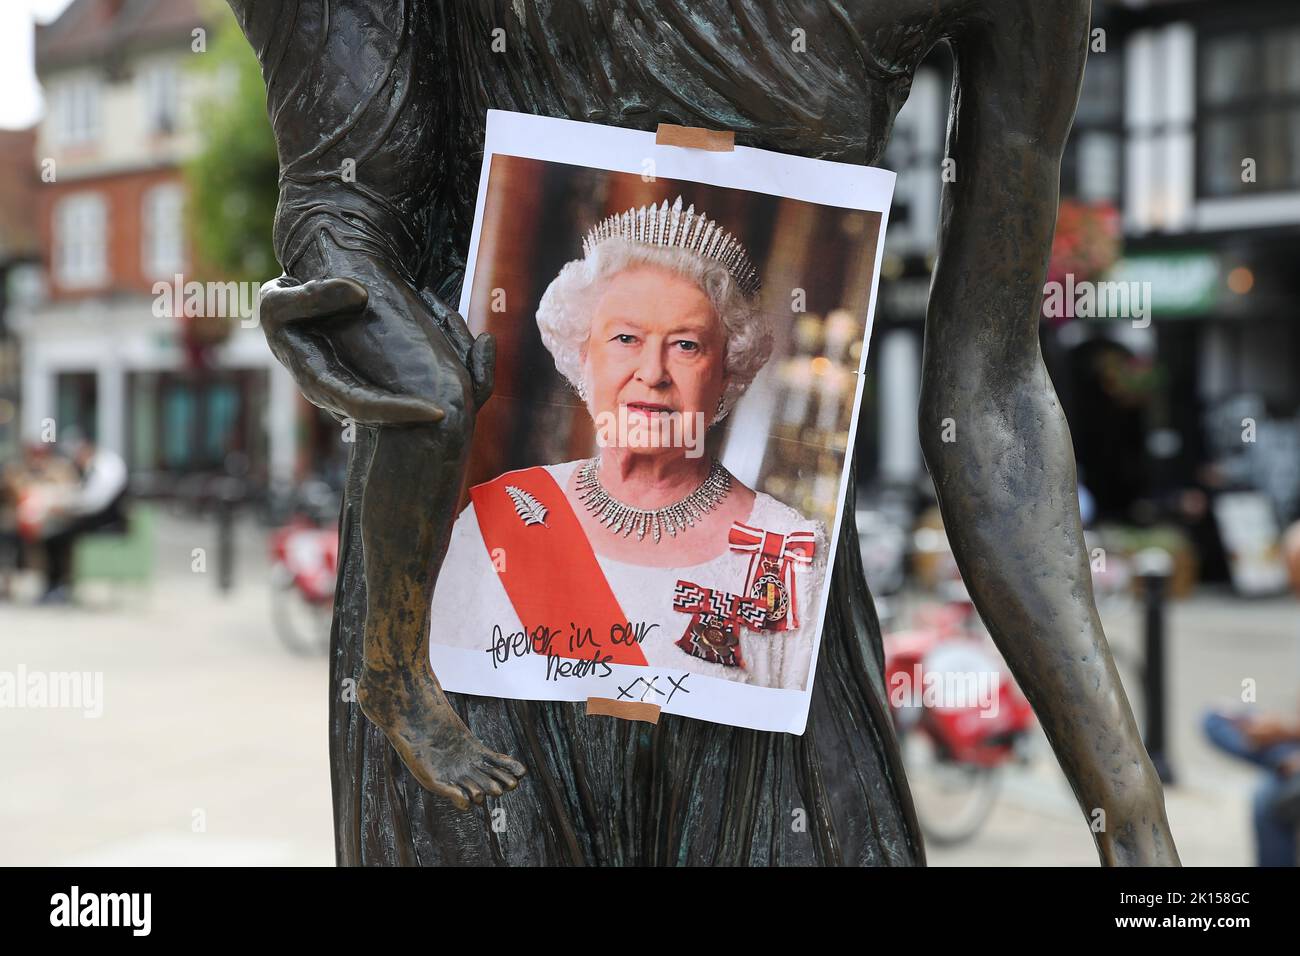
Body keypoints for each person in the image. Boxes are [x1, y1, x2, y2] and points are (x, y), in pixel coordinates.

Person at [430, 198, 828, 691]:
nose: (653, 374)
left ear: (727, 373)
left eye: (686, 345)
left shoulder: (788, 553)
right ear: (583, 356)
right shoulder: (498, 520)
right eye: (625, 338)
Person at [37, 434, 128, 603]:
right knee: (54, 533)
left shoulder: (105, 467)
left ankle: (59, 587)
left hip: (106, 522)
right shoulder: (95, 465)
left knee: (55, 538)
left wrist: (66, 507)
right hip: (96, 517)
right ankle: (58, 586)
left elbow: (94, 502)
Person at [1204, 709, 1300, 866]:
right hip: (1291, 745)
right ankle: (1281, 761)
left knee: (1268, 798)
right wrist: (1282, 728)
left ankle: (1282, 763)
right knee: (1214, 719)